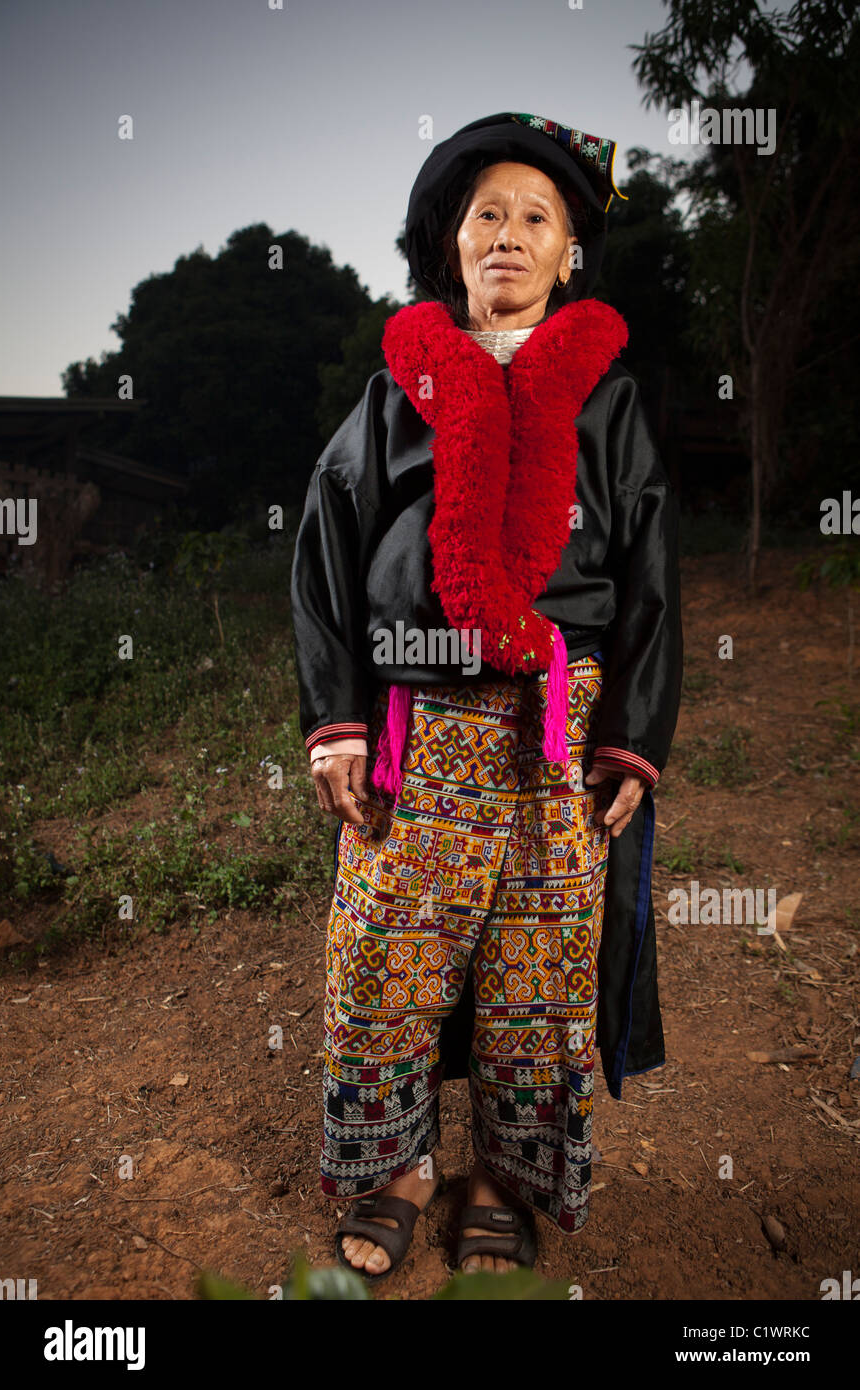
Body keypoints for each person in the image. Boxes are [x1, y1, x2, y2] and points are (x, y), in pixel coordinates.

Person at [290, 111, 683, 1281]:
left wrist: (629, 743)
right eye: (484, 215)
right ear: (449, 245)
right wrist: (336, 720)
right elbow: (321, 558)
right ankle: (397, 1171)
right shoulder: (392, 395)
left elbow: (648, 580)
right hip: (420, 733)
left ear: (568, 255)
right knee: (380, 963)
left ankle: (503, 1177)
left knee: (536, 976)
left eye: (534, 217)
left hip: (555, 738)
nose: (505, 234)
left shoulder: (604, 404)